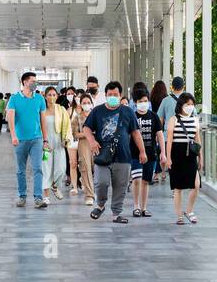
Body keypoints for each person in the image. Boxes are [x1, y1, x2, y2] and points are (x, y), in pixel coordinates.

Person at [81, 81, 146, 223]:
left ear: (120, 95)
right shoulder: (97, 111)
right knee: (101, 183)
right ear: (105, 95)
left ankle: (116, 214)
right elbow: (86, 128)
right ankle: (100, 204)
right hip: (102, 155)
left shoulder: (127, 111)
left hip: (123, 156)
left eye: (115, 95)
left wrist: (142, 151)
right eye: (109, 95)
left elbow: (135, 133)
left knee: (120, 186)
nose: (112, 97)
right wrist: (92, 141)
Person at [6, 72, 48, 208]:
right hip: (20, 140)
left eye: (36, 81)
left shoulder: (40, 99)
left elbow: (43, 120)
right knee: (20, 170)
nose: (35, 83)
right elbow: (10, 118)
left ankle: (38, 198)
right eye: (32, 81)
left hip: (36, 139)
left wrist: (45, 139)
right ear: (25, 82)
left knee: (38, 168)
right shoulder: (14, 98)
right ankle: (22, 196)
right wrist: (13, 135)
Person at [165, 91, 203, 224]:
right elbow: (169, 140)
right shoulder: (173, 119)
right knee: (178, 187)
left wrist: (201, 158)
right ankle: (179, 215)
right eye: (187, 104)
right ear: (181, 105)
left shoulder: (195, 120)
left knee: (196, 185)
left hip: (191, 156)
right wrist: (168, 157)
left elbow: (198, 140)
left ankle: (189, 210)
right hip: (177, 154)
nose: (190, 107)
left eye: (192, 104)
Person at [130, 86, 162, 217]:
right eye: (140, 101)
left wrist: (163, 154)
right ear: (136, 102)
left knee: (145, 181)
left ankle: (144, 207)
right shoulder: (132, 116)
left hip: (151, 153)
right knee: (136, 179)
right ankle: (136, 206)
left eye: (145, 100)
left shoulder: (154, 116)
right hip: (134, 153)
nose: (144, 103)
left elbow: (160, 135)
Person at [40, 85, 71, 201]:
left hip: (59, 143)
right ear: (45, 96)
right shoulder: (42, 110)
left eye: (54, 95)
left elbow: (67, 126)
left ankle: (55, 185)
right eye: (49, 95)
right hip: (46, 144)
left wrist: (66, 139)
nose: (52, 97)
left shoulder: (61, 110)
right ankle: (46, 196)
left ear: (57, 96)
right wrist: (44, 141)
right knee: (46, 168)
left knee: (61, 168)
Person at [68, 91, 93, 203]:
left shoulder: (96, 115)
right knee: (85, 168)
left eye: (88, 102)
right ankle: (89, 195)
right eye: (84, 102)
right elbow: (75, 134)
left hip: (96, 144)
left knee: (93, 168)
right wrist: (87, 134)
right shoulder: (77, 118)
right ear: (81, 104)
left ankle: (94, 190)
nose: (86, 104)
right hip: (83, 144)